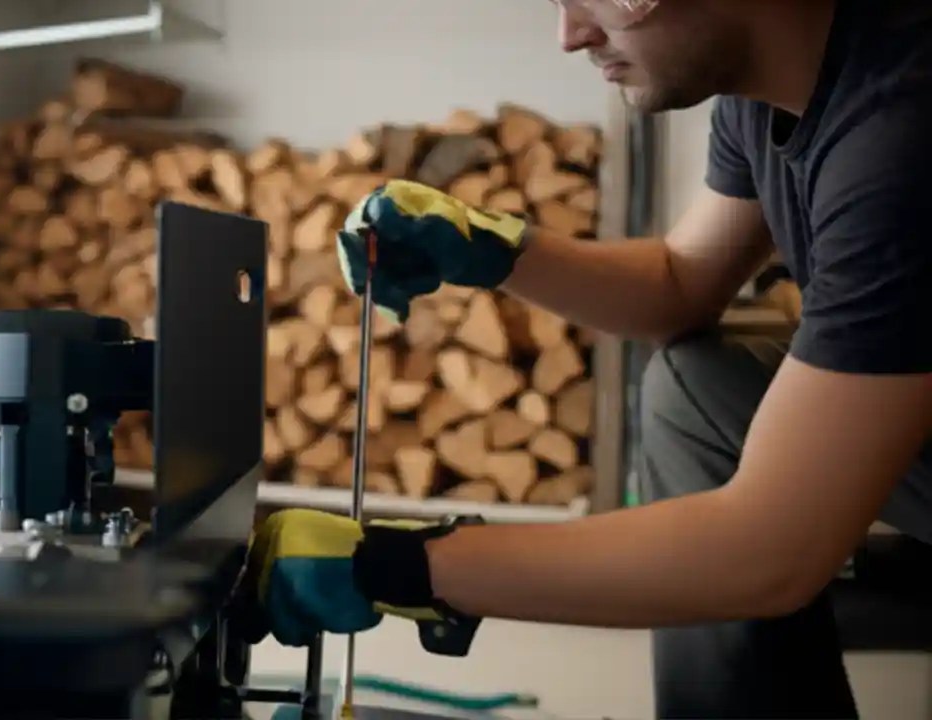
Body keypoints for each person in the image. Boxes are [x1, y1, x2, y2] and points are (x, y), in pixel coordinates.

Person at [239, 0, 932, 717]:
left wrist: (402, 567)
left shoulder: (901, 133)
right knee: (695, 387)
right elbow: (678, 284)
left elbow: (770, 548)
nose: (570, 35)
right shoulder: (765, 98)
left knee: (745, 499)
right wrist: (493, 247)